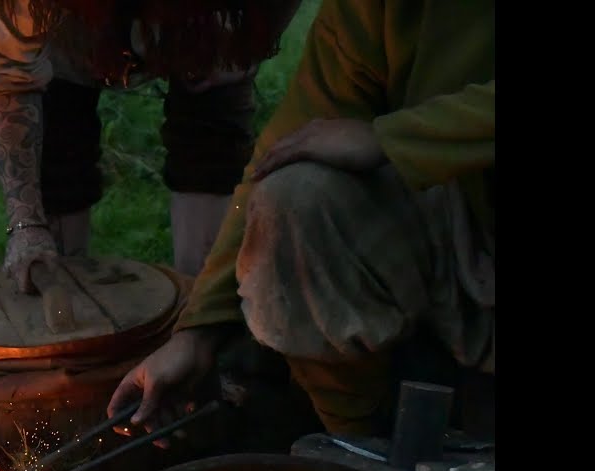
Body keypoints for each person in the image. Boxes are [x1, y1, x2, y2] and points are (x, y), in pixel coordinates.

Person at [108, 0, 494, 438]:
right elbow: (279, 157)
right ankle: (361, 448)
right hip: (455, 219)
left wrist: (391, 140)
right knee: (293, 198)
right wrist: (198, 332)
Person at [0, 0, 302, 290]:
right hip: (63, 31)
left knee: (212, 141)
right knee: (58, 148)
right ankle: (58, 299)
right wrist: (26, 224)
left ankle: (205, 310)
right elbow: (8, 76)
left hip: (202, 20)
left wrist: (248, 44)